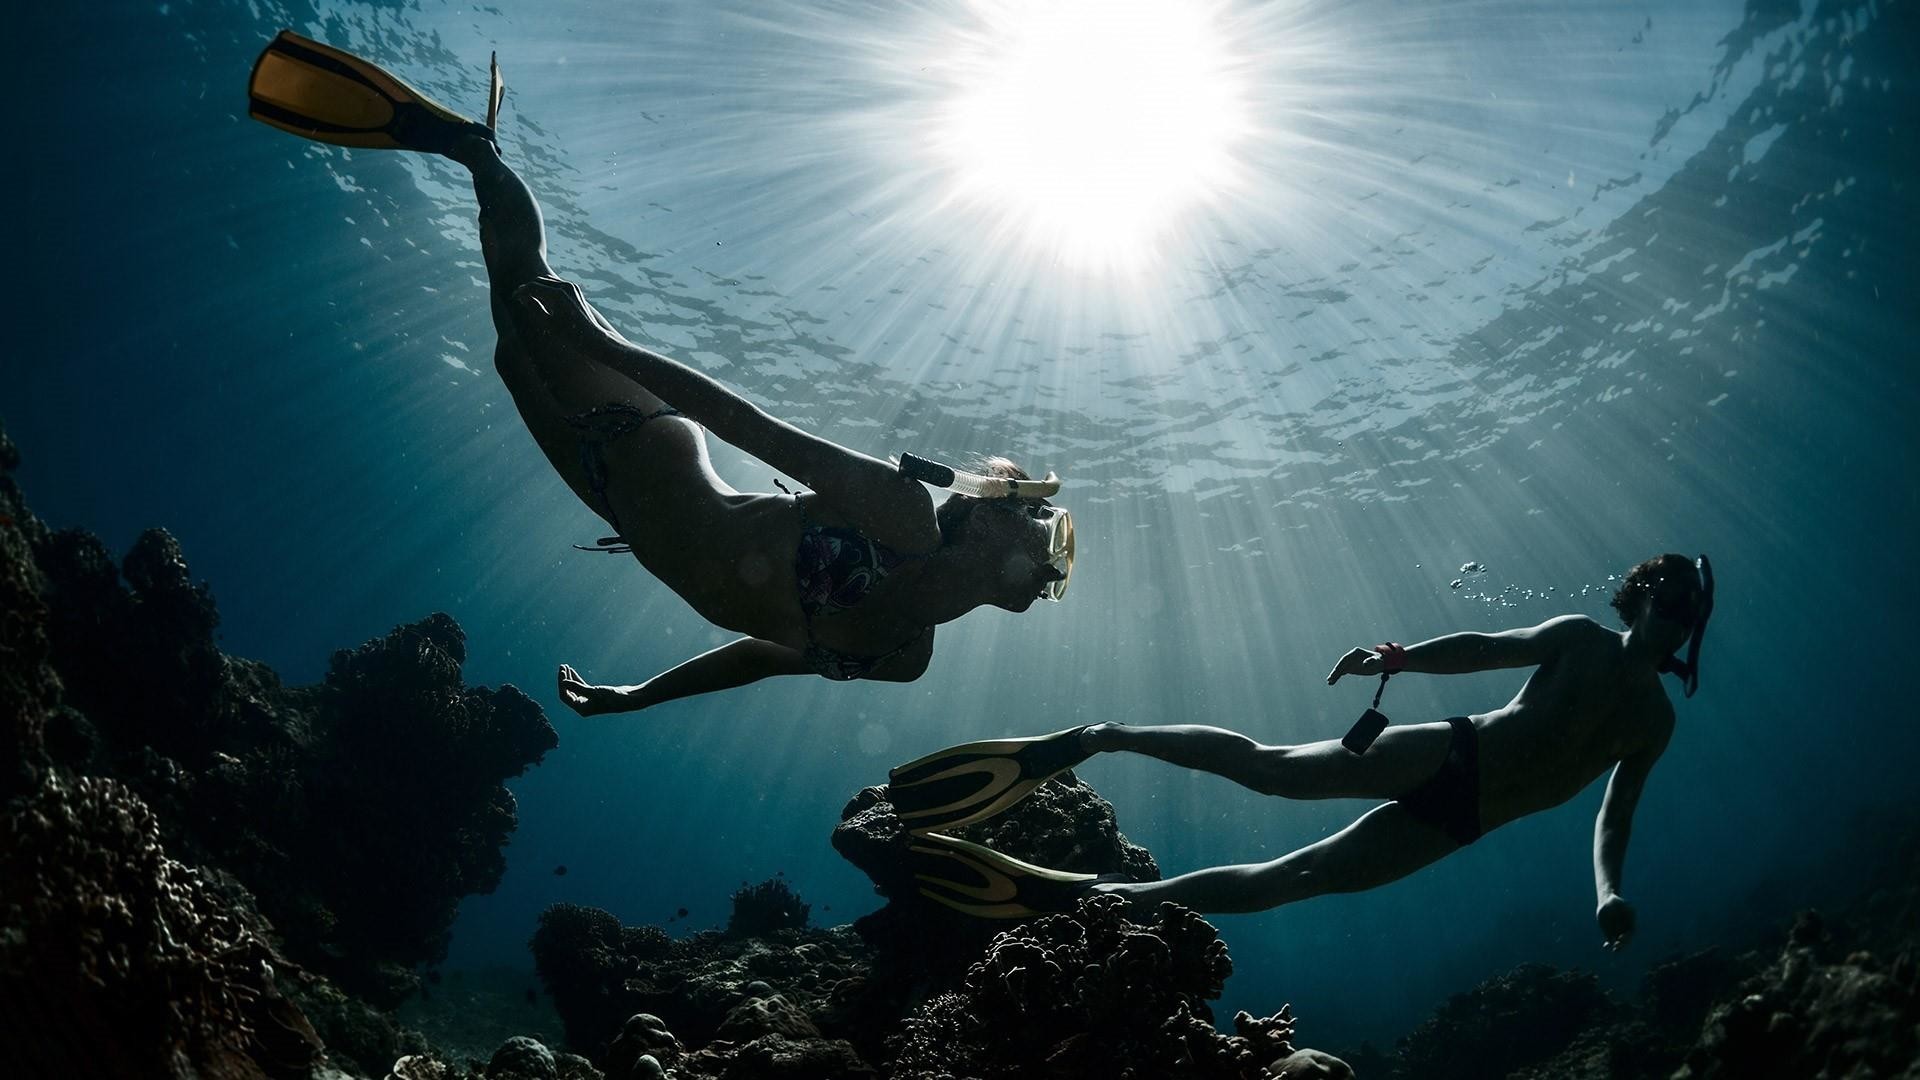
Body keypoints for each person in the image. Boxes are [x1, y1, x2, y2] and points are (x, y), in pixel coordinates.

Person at [246, 33, 1075, 710]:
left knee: (507, 344)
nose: (1052, 563)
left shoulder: (905, 660)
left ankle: (480, 164)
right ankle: (473, 151)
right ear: (991, 517)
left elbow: (757, 658)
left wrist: (632, 698)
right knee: (527, 293)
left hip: (615, 501)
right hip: (643, 445)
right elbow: (744, 425)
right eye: (1045, 528)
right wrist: (599, 346)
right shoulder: (902, 515)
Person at [889, 554, 1714, 950]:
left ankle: (1109, 903)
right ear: (1641, 596)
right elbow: (1484, 648)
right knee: (1273, 771)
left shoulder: (1653, 723)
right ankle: (1105, 736)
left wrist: (1609, 893)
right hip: (1449, 756)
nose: (1674, 617)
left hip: (1469, 820)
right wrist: (1400, 658)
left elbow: (1616, 816)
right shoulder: (1580, 640)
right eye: (1667, 598)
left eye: (1689, 611)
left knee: (1297, 881)